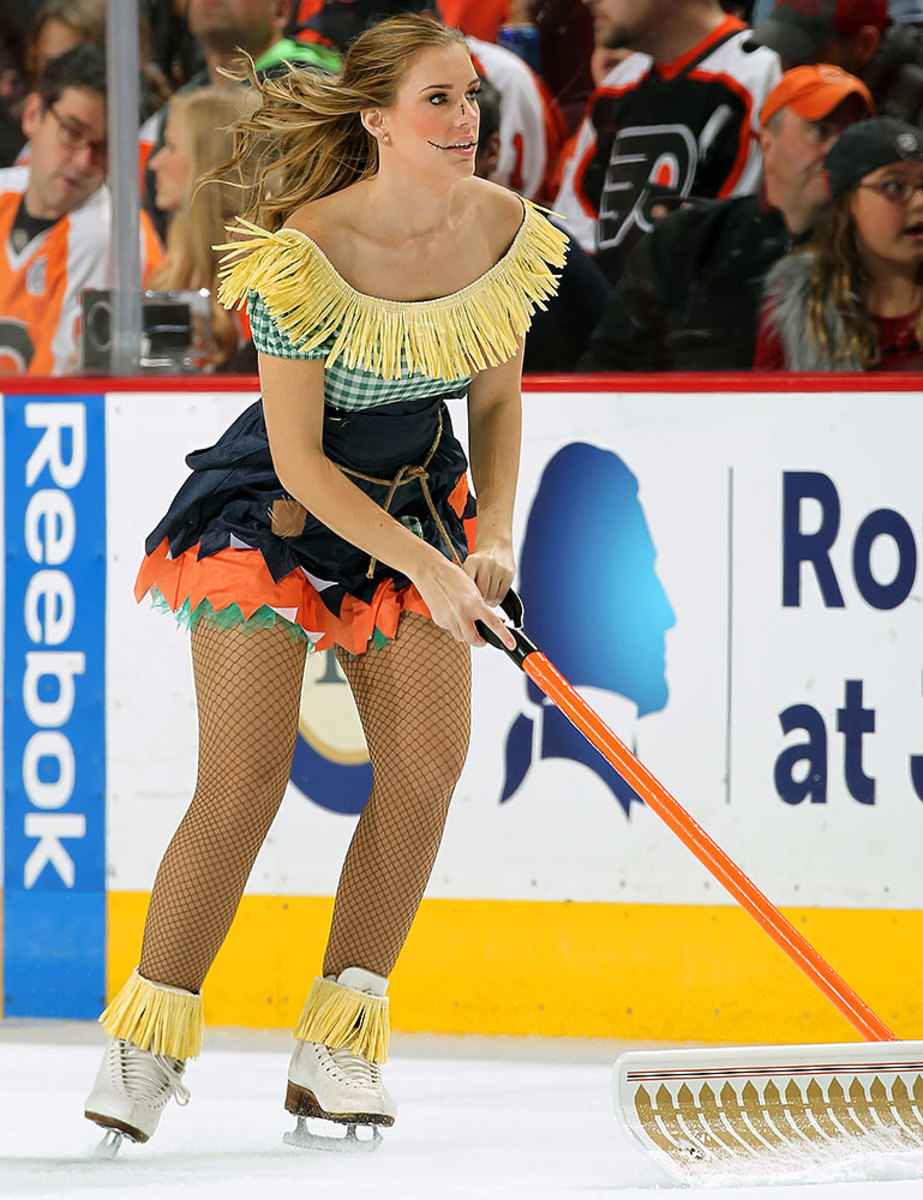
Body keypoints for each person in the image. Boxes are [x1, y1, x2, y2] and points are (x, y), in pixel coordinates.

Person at [83, 13, 567, 1150]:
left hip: (418, 503)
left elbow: (493, 405)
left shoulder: (503, 228)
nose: (465, 122)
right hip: (276, 512)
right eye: (438, 102)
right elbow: (300, 454)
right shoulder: (304, 247)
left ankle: (338, 1047)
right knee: (244, 779)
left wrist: (489, 538)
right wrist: (431, 568)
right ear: (375, 121)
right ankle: (146, 1047)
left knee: (427, 771)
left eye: (471, 101)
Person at [578, 64, 873, 370]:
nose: (840, 150)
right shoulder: (689, 238)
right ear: (767, 142)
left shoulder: (885, 250)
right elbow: (609, 363)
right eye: (821, 131)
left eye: (853, 136)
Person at [553, 0, 781, 283]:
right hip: (612, 318)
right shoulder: (615, 89)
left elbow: (738, 253)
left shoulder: (761, 76)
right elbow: (570, 248)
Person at [0, 45, 162, 375]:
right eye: (72, 133)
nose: (84, 162)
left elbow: (55, 387)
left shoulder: (109, 234)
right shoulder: (5, 191)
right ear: (33, 115)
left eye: (103, 147)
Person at [754, 117, 923, 369]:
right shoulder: (797, 307)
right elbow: (766, 406)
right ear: (847, 206)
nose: (920, 202)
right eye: (894, 186)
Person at [147, 86, 260, 371]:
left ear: (209, 162)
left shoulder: (262, 274)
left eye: (171, 147)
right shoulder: (177, 259)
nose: (155, 162)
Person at [745, 0, 923, 128]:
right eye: (782, 52)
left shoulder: (911, 113)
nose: (788, 72)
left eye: (805, 59)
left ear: (865, 45)